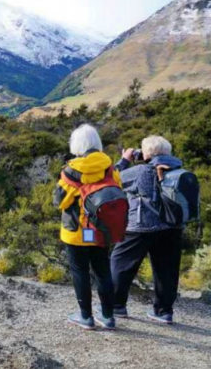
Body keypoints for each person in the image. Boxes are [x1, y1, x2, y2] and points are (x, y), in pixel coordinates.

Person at [112, 136, 184, 324]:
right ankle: (163, 311)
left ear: (146, 154)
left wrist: (125, 160)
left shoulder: (139, 171)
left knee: (121, 263)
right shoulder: (180, 170)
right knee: (166, 271)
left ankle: (115, 306)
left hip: (141, 226)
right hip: (173, 227)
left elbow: (112, 179)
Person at [53, 124, 119, 330]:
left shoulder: (71, 171)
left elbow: (59, 202)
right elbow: (117, 190)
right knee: (102, 270)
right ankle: (108, 316)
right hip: (99, 229)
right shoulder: (109, 167)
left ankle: (86, 317)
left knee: (80, 271)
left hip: (76, 231)